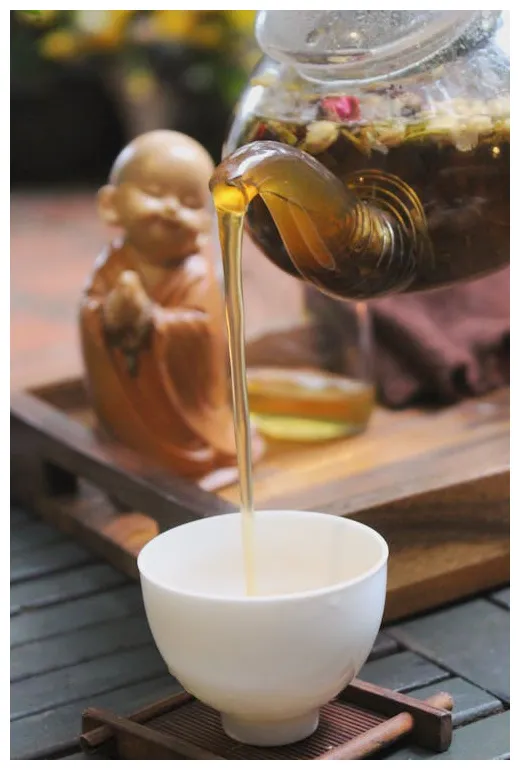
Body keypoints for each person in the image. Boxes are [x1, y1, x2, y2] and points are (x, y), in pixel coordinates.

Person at [80, 130, 261, 486]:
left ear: (207, 224)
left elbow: (206, 330)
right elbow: (91, 312)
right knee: (122, 446)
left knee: (195, 450)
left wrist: (151, 320)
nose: (170, 208)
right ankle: (127, 443)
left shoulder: (196, 273)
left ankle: (191, 458)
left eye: (190, 202)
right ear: (110, 204)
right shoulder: (112, 265)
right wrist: (107, 314)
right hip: (131, 407)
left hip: (186, 419)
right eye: (153, 193)